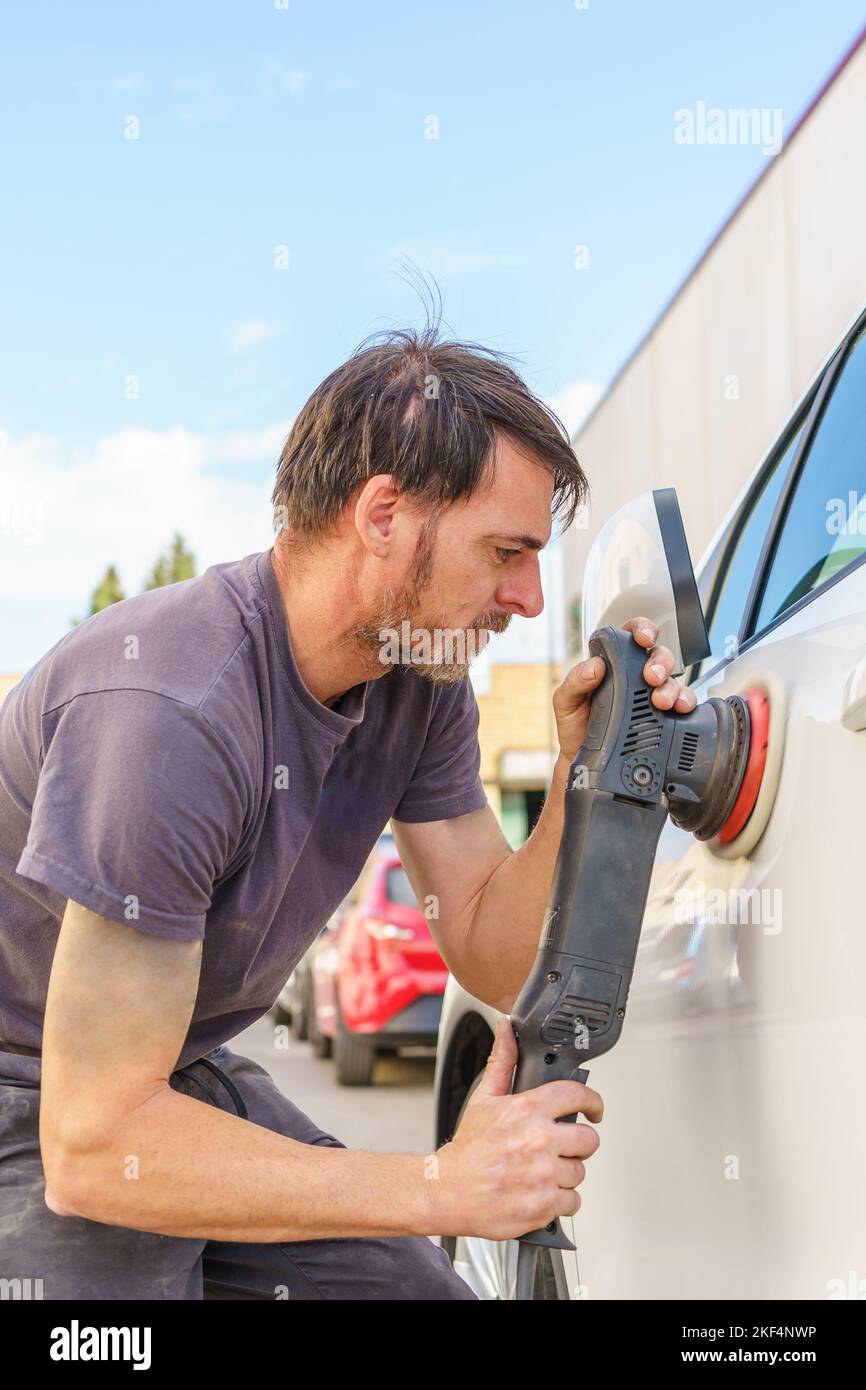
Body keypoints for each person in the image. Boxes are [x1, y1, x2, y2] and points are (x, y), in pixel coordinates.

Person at [0, 321, 695, 1300]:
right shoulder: (169, 713)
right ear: (382, 516)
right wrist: (437, 1184)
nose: (530, 598)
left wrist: (581, 777)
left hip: (165, 1075)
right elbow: (93, 1140)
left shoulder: (419, 682)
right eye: (505, 551)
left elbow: (490, 950)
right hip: (40, 1101)